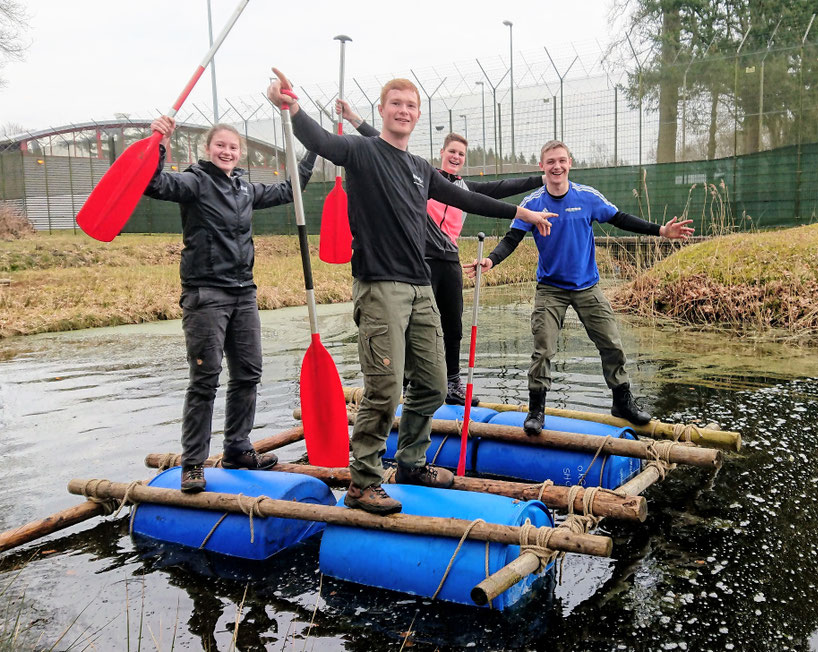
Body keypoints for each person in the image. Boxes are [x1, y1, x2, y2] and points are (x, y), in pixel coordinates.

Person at [266, 69, 556, 515]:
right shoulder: (361, 152)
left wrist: (523, 212)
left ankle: (411, 463)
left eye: (411, 106)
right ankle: (363, 481)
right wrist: (293, 107)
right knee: (383, 390)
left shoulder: (421, 168)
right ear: (382, 111)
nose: (403, 111)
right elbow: (323, 141)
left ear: (418, 116)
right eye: (396, 104)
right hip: (379, 287)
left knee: (434, 385)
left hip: (421, 287)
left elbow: (469, 200)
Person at [466, 140, 695, 435]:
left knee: (612, 343)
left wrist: (661, 231)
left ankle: (622, 402)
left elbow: (620, 218)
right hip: (550, 288)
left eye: (561, 161)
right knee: (543, 349)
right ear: (542, 167)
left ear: (569, 163)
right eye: (551, 162)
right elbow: (512, 238)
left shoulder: (587, 197)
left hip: (587, 286)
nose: (557, 166)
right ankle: (537, 410)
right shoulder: (532, 203)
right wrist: (491, 261)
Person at [144, 116, 318, 493]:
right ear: (208, 150)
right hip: (205, 294)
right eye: (220, 146)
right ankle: (193, 463)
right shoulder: (194, 181)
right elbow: (154, 184)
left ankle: (238, 447)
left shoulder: (244, 188)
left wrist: (312, 152)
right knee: (205, 379)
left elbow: (291, 190)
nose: (226, 151)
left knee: (249, 372)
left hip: (244, 293)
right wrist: (158, 144)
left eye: (233, 147)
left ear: (240, 154)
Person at [336, 99, 544, 406]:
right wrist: (354, 119)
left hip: (450, 263)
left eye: (461, 154)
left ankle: (452, 382)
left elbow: (505, 185)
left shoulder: (466, 189)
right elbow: (381, 146)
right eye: (452, 152)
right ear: (442, 155)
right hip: (420, 261)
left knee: (453, 325)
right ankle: (406, 383)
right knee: (411, 325)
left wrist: (544, 178)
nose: (456, 157)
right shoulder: (421, 178)